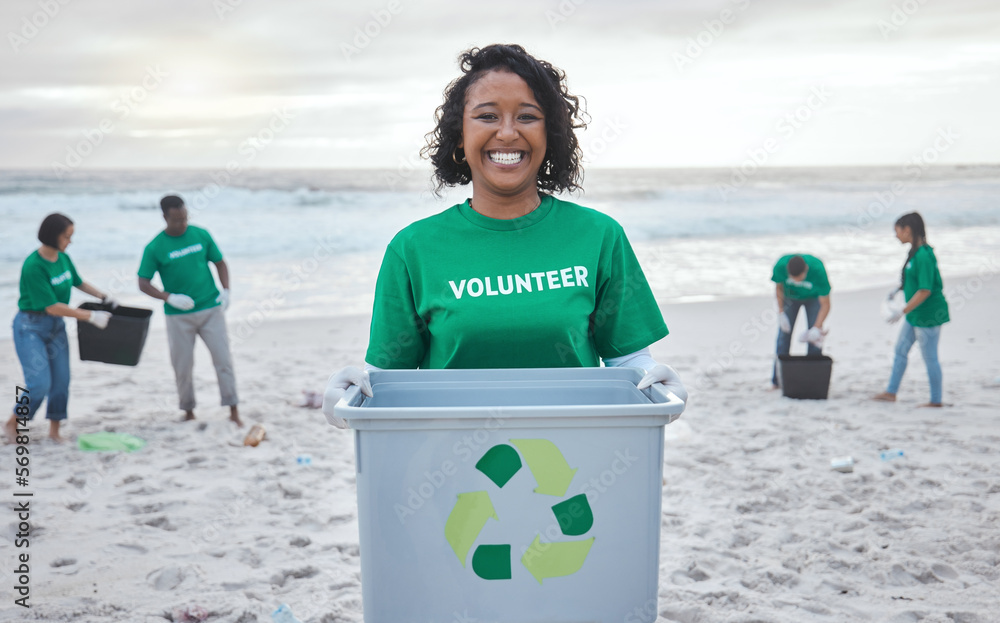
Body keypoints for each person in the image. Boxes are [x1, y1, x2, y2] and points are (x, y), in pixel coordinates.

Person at [322, 43, 686, 420]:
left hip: (573, 456)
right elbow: (386, 384)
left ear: (551, 134)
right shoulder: (413, 249)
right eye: (487, 116)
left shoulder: (599, 236)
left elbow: (628, 362)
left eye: (528, 117)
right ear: (459, 136)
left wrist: (657, 385)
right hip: (447, 459)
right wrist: (345, 403)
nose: (508, 133)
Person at [5, 213, 114, 443]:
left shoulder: (63, 258)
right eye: (67, 236)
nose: (70, 241)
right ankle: (14, 422)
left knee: (61, 381)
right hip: (30, 327)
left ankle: (54, 430)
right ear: (52, 236)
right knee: (39, 384)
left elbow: (78, 281)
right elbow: (52, 307)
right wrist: (90, 316)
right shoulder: (33, 266)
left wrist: (103, 295)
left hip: (55, 327)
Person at [138, 195, 241, 426]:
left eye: (185, 218)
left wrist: (226, 290)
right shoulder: (155, 247)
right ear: (165, 217)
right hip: (178, 316)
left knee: (223, 360)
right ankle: (188, 410)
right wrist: (168, 297)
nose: (182, 224)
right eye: (176, 220)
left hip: (210, 309)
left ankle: (233, 409)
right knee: (182, 366)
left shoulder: (201, 234)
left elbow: (220, 262)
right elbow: (143, 282)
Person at [873, 212, 949, 406]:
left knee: (930, 357)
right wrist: (897, 290)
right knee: (900, 350)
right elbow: (912, 280)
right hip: (914, 314)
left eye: (897, 231)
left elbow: (925, 290)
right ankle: (891, 392)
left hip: (928, 314)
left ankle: (936, 400)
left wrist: (902, 311)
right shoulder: (914, 253)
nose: (896, 235)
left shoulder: (924, 255)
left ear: (907, 230)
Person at [770, 254, 831, 388]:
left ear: (806, 270)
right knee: (783, 337)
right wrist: (781, 312)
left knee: (814, 340)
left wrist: (817, 327)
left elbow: (825, 303)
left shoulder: (817, 269)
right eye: (793, 279)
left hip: (813, 298)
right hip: (790, 298)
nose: (797, 282)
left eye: (799, 279)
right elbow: (779, 289)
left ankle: (813, 380)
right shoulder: (780, 266)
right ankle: (777, 381)